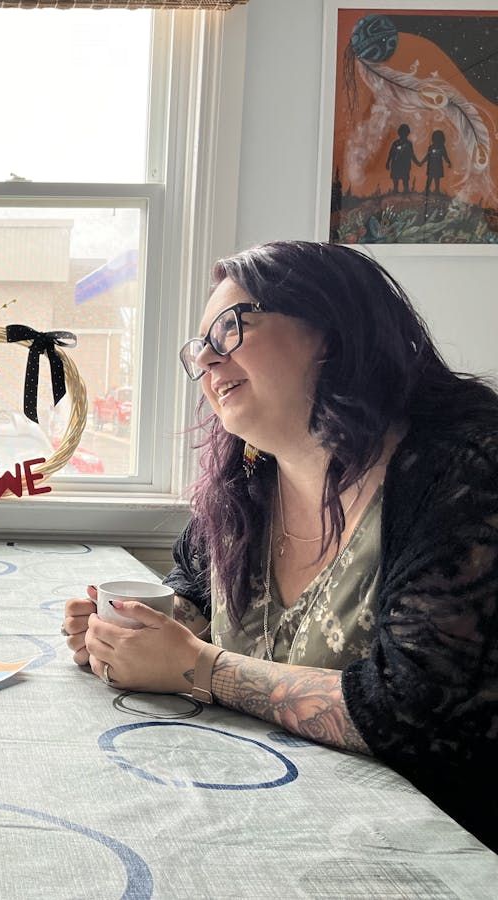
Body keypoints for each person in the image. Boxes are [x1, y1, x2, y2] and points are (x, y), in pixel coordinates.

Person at [61, 241, 498, 849]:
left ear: (332, 329)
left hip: (425, 852)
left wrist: (194, 666)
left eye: (230, 327)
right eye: (198, 347)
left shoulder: (465, 471)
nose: (206, 359)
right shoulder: (245, 484)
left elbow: (412, 713)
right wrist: (135, 630)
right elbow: (196, 598)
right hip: (257, 820)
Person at [385, 123, 417, 193]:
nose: (403, 134)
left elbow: (412, 155)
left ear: (407, 133)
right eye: (402, 132)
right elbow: (391, 153)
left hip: (405, 164)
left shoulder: (409, 143)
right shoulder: (395, 143)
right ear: (399, 133)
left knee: (405, 179)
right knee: (395, 179)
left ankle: (405, 190)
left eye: (405, 132)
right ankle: (396, 190)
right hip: (396, 164)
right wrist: (387, 162)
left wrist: (417, 163)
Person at [422, 129, 452, 195]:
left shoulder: (442, 147)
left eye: (438, 139)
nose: (437, 140)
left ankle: (437, 190)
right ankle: (427, 189)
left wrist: (448, 162)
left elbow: (445, 156)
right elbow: (427, 156)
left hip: (438, 166)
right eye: (436, 138)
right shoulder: (431, 147)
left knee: (436, 178)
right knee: (430, 178)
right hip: (431, 166)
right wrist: (422, 162)